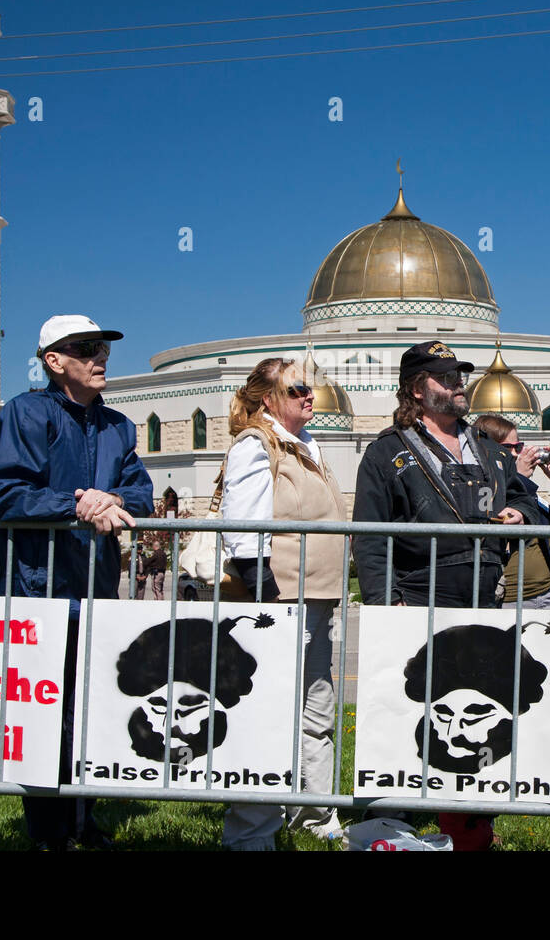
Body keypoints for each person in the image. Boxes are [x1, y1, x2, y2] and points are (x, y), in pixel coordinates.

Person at [0, 314, 154, 852]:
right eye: (85, 349)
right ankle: (48, 832)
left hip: (96, 593)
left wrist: (116, 500)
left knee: (91, 712)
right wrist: (76, 502)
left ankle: (85, 822)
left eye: (103, 347)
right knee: (43, 716)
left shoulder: (119, 426)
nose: (100, 356)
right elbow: (5, 495)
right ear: (54, 361)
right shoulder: (27, 412)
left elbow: (142, 493)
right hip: (39, 593)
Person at [219, 357, 347, 850]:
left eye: (309, 389)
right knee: (265, 712)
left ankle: (314, 815)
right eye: (297, 390)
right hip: (278, 600)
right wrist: (265, 602)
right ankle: (252, 831)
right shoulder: (257, 444)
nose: (309, 396)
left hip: (315, 598)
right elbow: (244, 527)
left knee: (316, 707)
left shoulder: (306, 444)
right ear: (269, 398)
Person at [353, 342, 540, 608]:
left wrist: (520, 512)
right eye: (445, 378)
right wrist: (387, 601)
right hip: (420, 596)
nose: (458, 384)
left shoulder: (490, 450)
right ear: (417, 390)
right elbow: (369, 539)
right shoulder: (386, 453)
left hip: (487, 596)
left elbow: (523, 499)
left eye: (459, 377)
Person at [472, 414, 550, 609]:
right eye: (506, 448)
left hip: (544, 593)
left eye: (518, 447)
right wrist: (518, 480)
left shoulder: (527, 492)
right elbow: (501, 516)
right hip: (507, 599)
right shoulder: (481, 485)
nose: (514, 454)